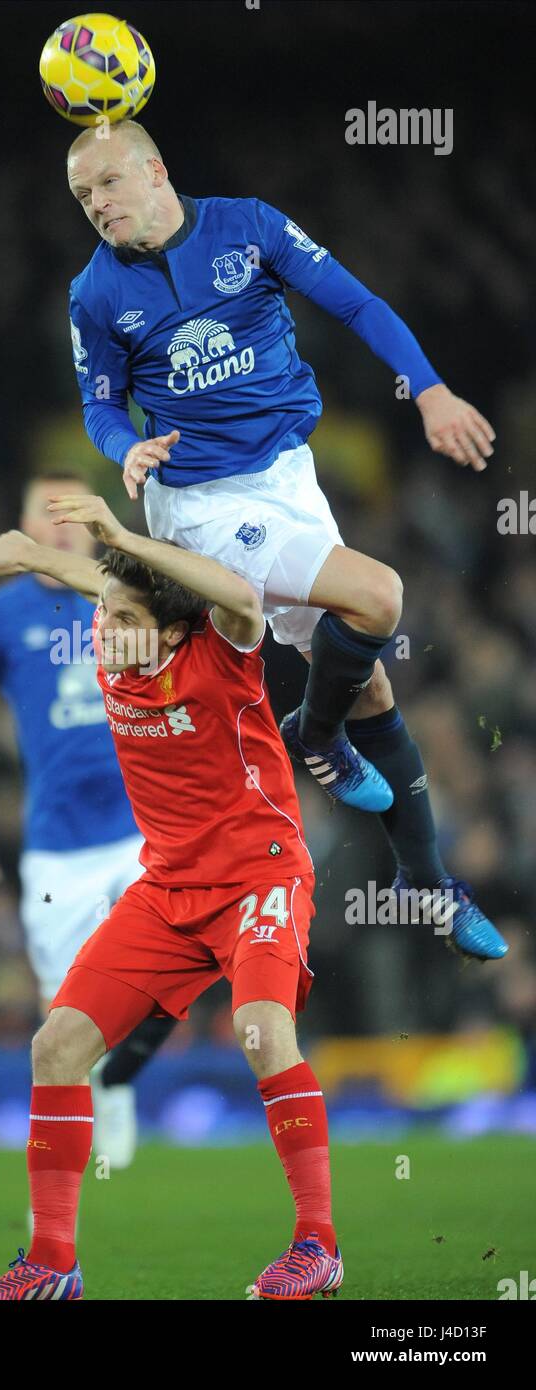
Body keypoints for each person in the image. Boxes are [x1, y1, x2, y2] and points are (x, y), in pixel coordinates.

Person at [64, 119, 506, 962]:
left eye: (110, 184)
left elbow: (356, 302)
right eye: (85, 196)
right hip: (197, 505)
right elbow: (98, 403)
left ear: (155, 170)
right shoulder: (93, 291)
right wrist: (128, 449)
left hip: (287, 480)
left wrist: (432, 391)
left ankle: (429, 889)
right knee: (379, 595)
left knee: (369, 685)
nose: (98, 206)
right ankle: (313, 736)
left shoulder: (249, 228)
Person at [0, 493, 342, 1302]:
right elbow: (98, 585)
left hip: (260, 876)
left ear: (173, 630)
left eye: (122, 616)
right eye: (103, 612)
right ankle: (52, 1264)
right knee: (56, 1047)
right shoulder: (123, 639)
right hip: (169, 887)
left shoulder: (219, 654)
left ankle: (317, 1245)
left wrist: (121, 535)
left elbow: (242, 600)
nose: (102, 629)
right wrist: (37, 557)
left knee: (258, 1026)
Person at [0, 471, 176, 1167]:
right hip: (56, 845)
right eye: (44, 513)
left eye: (72, 511)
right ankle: (79, 1145)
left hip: (144, 827)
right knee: (66, 1010)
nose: (60, 525)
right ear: (21, 526)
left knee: (171, 974)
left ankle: (122, 1078)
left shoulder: (125, 594)